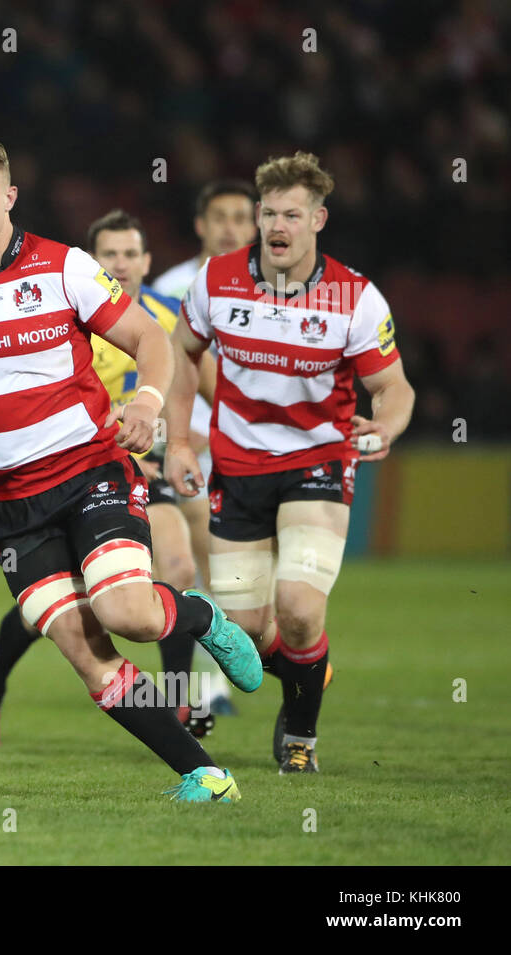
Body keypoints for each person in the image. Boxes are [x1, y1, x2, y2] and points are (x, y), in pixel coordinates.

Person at [0, 134, 262, 802]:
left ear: (9, 197)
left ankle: (200, 619)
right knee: (82, 649)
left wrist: (149, 401)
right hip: (11, 505)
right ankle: (203, 774)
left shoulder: (63, 267)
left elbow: (151, 339)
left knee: (127, 611)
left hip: (93, 471)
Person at [164, 151, 415, 774]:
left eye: (292, 214)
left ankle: (300, 734)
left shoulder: (354, 297)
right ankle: (308, 671)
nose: (278, 224)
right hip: (238, 469)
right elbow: (181, 356)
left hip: (318, 464)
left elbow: (394, 387)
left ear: (318, 220)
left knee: (300, 608)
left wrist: (386, 425)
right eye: (269, 212)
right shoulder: (217, 280)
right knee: (246, 633)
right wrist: (174, 442)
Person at [0, 209, 219, 747]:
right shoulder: (72, 311)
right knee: (60, 611)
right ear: (92, 261)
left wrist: (181, 442)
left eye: (131, 254)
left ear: (148, 262)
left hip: (141, 469)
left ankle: (176, 700)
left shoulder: (170, 320)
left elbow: (213, 396)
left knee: (175, 567)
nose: (121, 264)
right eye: (110, 255)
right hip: (77, 468)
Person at [152, 180, 260, 719]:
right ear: (200, 224)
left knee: (233, 570)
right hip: (182, 450)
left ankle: (211, 684)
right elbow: (160, 368)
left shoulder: (269, 290)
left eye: (242, 217)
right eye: (220, 216)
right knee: (187, 565)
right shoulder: (170, 289)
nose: (230, 228)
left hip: (240, 445)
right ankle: (194, 691)